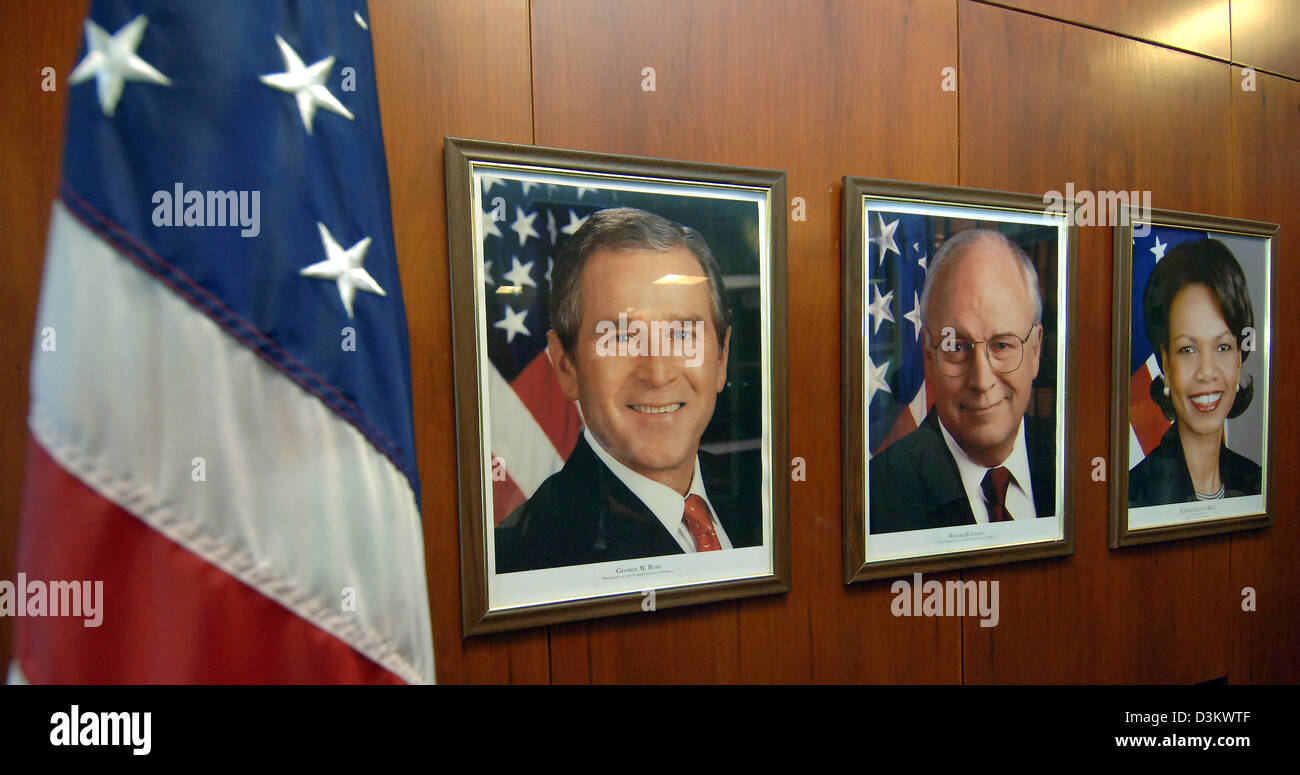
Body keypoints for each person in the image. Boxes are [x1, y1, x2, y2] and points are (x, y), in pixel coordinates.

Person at [495, 208, 760, 572]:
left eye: (683, 334)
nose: (658, 373)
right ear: (565, 365)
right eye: (620, 336)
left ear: (721, 357)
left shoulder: (760, 501)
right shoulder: (528, 555)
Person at [870, 229, 1056, 534]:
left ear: (1035, 351)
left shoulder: (1070, 461)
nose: (982, 382)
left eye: (1002, 345)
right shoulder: (876, 497)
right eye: (956, 347)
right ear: (928, 357)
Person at [1128, 238, 1261, 506]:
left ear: (1239, 357)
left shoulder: (1259, 484)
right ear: (1165, 362)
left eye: (1223, 346)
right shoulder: (1132, 495)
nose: (1207, 372)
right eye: (1188, 349)